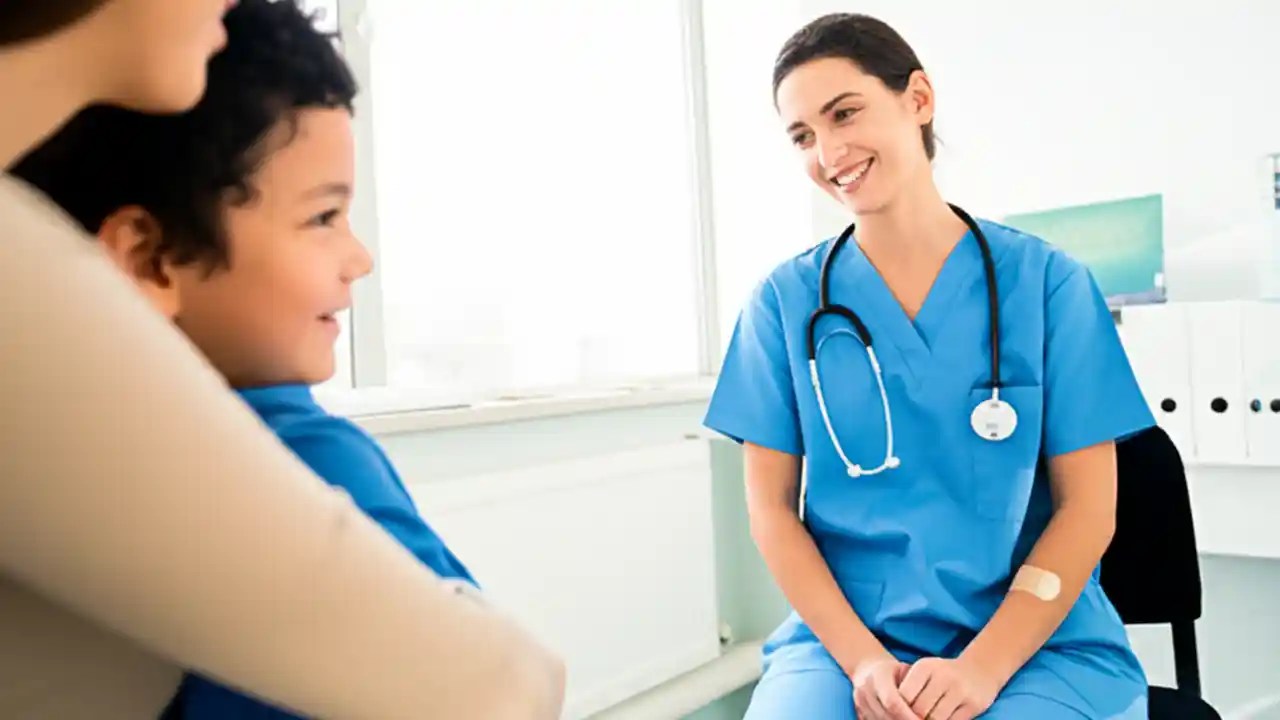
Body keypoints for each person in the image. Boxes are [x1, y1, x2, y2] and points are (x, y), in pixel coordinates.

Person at [0, 2, 563, 718]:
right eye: (324, 217)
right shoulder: (297, 438)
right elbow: (500, 690)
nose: (359, 258)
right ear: (145, 255)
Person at [704, 13, 1151, 720]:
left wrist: (983, 668)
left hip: (1033, 642)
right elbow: (770, 514)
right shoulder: (784, 304)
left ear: (918, 99)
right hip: (847, 643)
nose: (828, 151)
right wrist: (863, 661)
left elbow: (1089, 509)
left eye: (844, 112)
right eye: (802, 136)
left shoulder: (1048, 285)